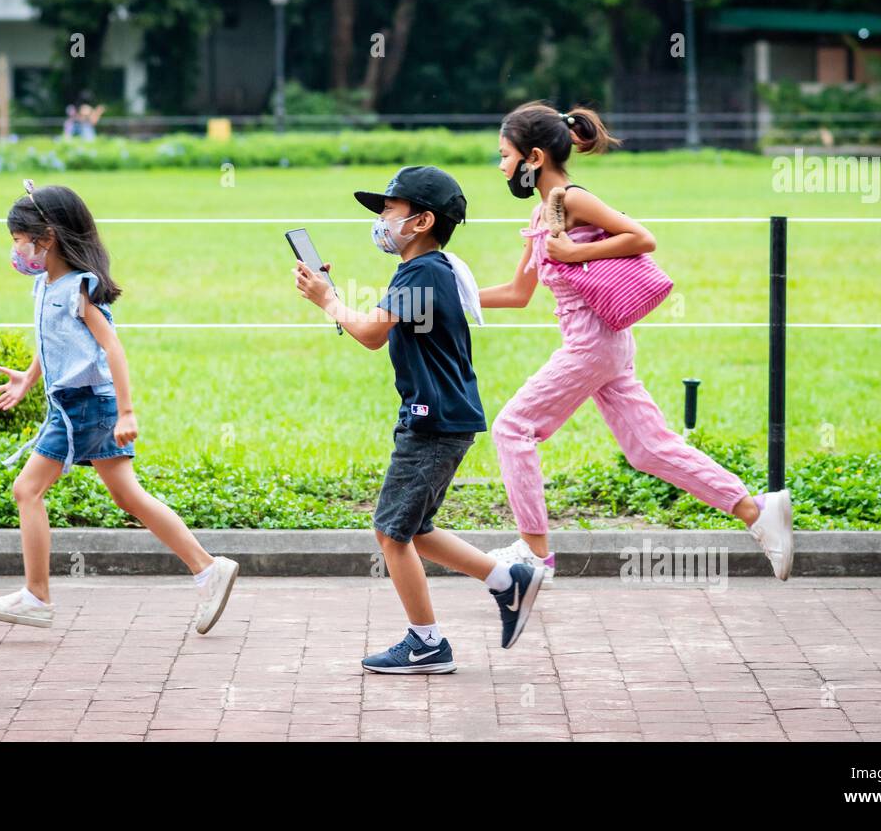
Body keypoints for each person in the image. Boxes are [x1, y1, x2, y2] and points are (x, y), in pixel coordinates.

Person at [479, 101, 795, 586]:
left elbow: (642, 238)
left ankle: (534, 555)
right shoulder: (543, 213)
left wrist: (577, 250)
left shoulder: (572, 198)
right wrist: (446, 296)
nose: (500, 166)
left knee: (512, 429)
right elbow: (517, 293)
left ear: (534, 157)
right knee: (648, 449)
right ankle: (757, 512)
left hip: (592, 346)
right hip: (604, 346)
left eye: (504, 155)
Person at [295, 165, 545, 674]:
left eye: (390, 210)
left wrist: (328, 300)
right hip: (444, 416)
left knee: (391, 533)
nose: (382, 219)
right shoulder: (436, 269)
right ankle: (508, 580)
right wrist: (335, 299)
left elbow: (369, 333)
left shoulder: (421, 272)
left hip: (433, 421)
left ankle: (427, 643)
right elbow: (382, 326)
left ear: (422, 220)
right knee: (414, 527)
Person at [0, 180, 239, 632]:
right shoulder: (46, 283)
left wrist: (127, 412)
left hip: (88, 406)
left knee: (36, 490)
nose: (16, 250)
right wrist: (30, 376)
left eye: (20, 240)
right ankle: (207, 569)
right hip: (72, 405)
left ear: (48, 237)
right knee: (118, 495)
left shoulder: (80, 288)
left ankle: (39, 596)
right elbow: (52, 339)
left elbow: (111, 347)